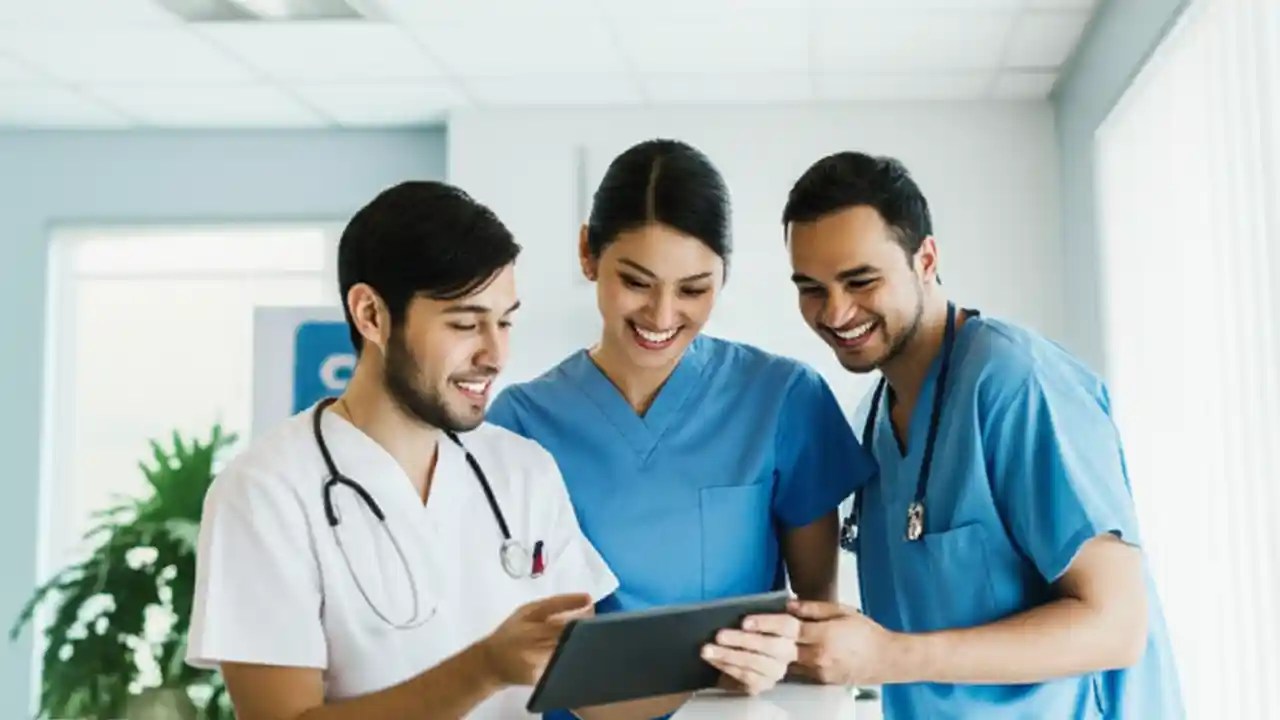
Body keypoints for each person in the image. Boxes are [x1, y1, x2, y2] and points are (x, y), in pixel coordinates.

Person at [184, 181, 795, 720]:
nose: (495, 355)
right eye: (464, 323)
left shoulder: (520, 469)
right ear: (371, 314)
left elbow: (595, 697)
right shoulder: (266, 491)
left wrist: (722, 667)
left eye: (505, 321)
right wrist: (483, 670)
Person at [780, 152, 1185, 718]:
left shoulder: (1017, 382)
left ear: (926, 258)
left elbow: (1115, 626)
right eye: (811, 288)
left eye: (860, 280)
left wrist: (889, 656)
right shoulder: (874, 419)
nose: (836, 311)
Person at [487, 139, 875, 716]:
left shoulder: (782, 399)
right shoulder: (519, 425)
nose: (663, 316)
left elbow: (817, 625)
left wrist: (773, 659)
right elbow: (527, 642)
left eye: (694, 289)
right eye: (637, 282)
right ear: (587, 254)